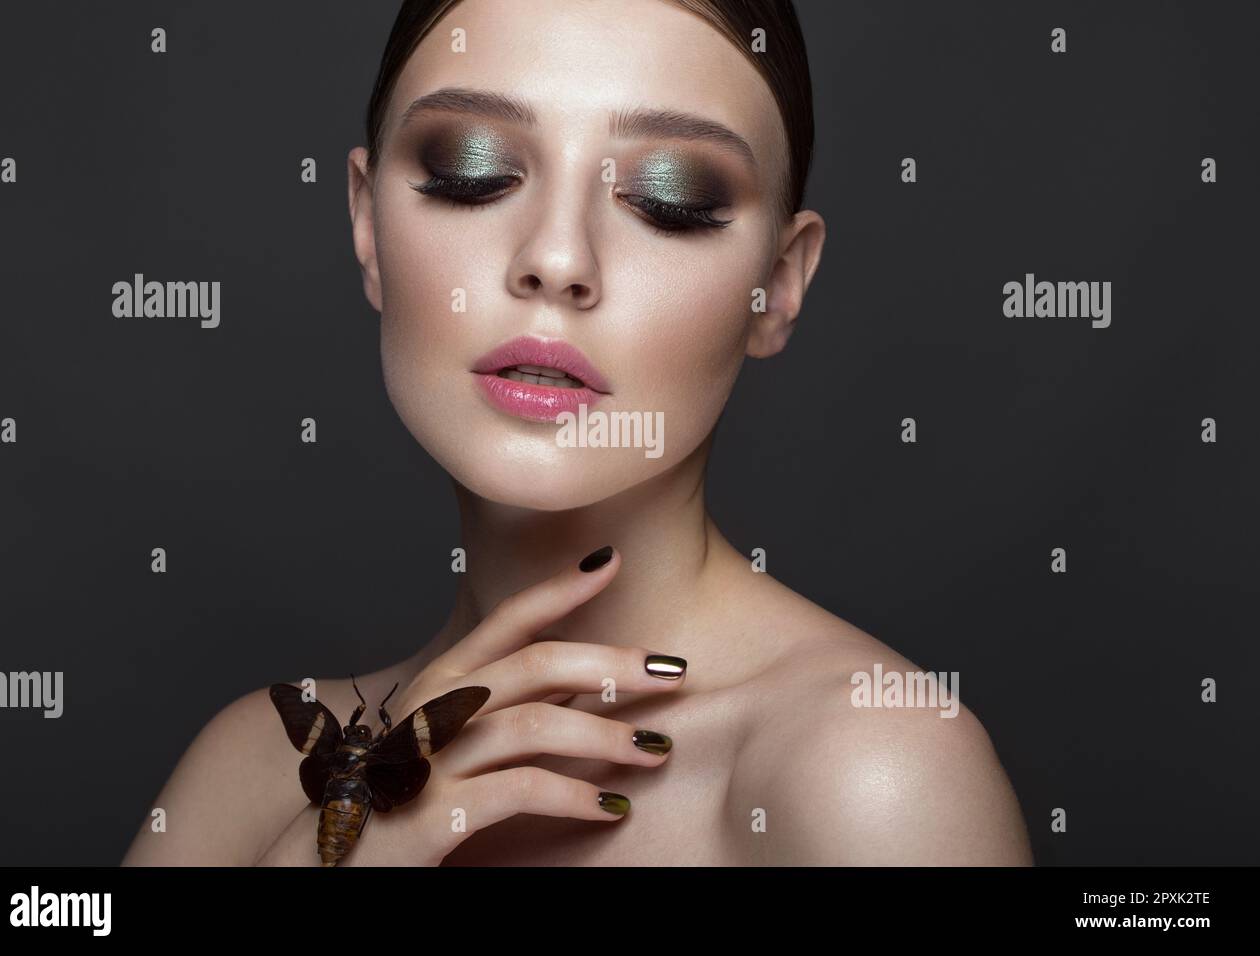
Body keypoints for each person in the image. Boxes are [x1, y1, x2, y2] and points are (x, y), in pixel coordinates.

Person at [124, 0, 1032, 866]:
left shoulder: (875, 775)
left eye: (670, 197)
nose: (557, 259)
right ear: (367, 225)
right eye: (472, 170)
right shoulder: (251, 770)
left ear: (779, 287)